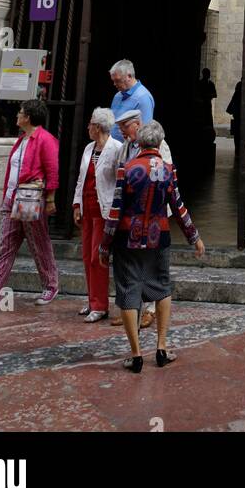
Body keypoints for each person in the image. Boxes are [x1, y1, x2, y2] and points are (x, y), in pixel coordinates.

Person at [99, 120, 204, 373]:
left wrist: (105, 246)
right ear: (159, 143)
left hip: (127, 239)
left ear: (140, 142)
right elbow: (178, 208)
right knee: (162, 288)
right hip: (159, 239)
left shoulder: (128, 168)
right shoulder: (168, 171)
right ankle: (161, 347)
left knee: (128, 291)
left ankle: (135, 355)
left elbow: (116, 211)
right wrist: (194, 237)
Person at [0, 98, 59, 315]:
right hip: (12, 199)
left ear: (27, 116)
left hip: (30, 199)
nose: (16, 115)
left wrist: (51, 199)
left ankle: (51, 285)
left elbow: (52, 171)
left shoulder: (45, 139)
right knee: (5, 249)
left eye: (20, 112)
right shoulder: (21, 140)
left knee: (39, 243)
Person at [110, 109, 173, 329]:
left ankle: (149, 311)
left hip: (153, 215)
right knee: (132, 271)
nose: (122, 132)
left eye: (124, 127)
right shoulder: (126, 147)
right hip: (131, 217)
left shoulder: (159, 146)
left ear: (137, 125)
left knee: (152, 269)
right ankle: (131, 310)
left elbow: (165, 178)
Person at [72, 107, 122, 323]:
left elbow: (119, 181)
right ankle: (93, 300)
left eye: (91, 123)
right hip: (87, 208)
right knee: (86, 257)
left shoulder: (116, 149)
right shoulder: (88, 149)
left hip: (104, 211)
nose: (88, 127)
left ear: (99, 127)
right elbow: (82, 178)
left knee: (97, 257)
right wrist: (76, 204)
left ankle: (101, 305)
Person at [109, 60, 154, 127]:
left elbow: (144, 132)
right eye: (113, 81)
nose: (114, 84)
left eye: (117, 80)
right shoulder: (117, 96)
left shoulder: (143, 98)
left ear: (129, 76)